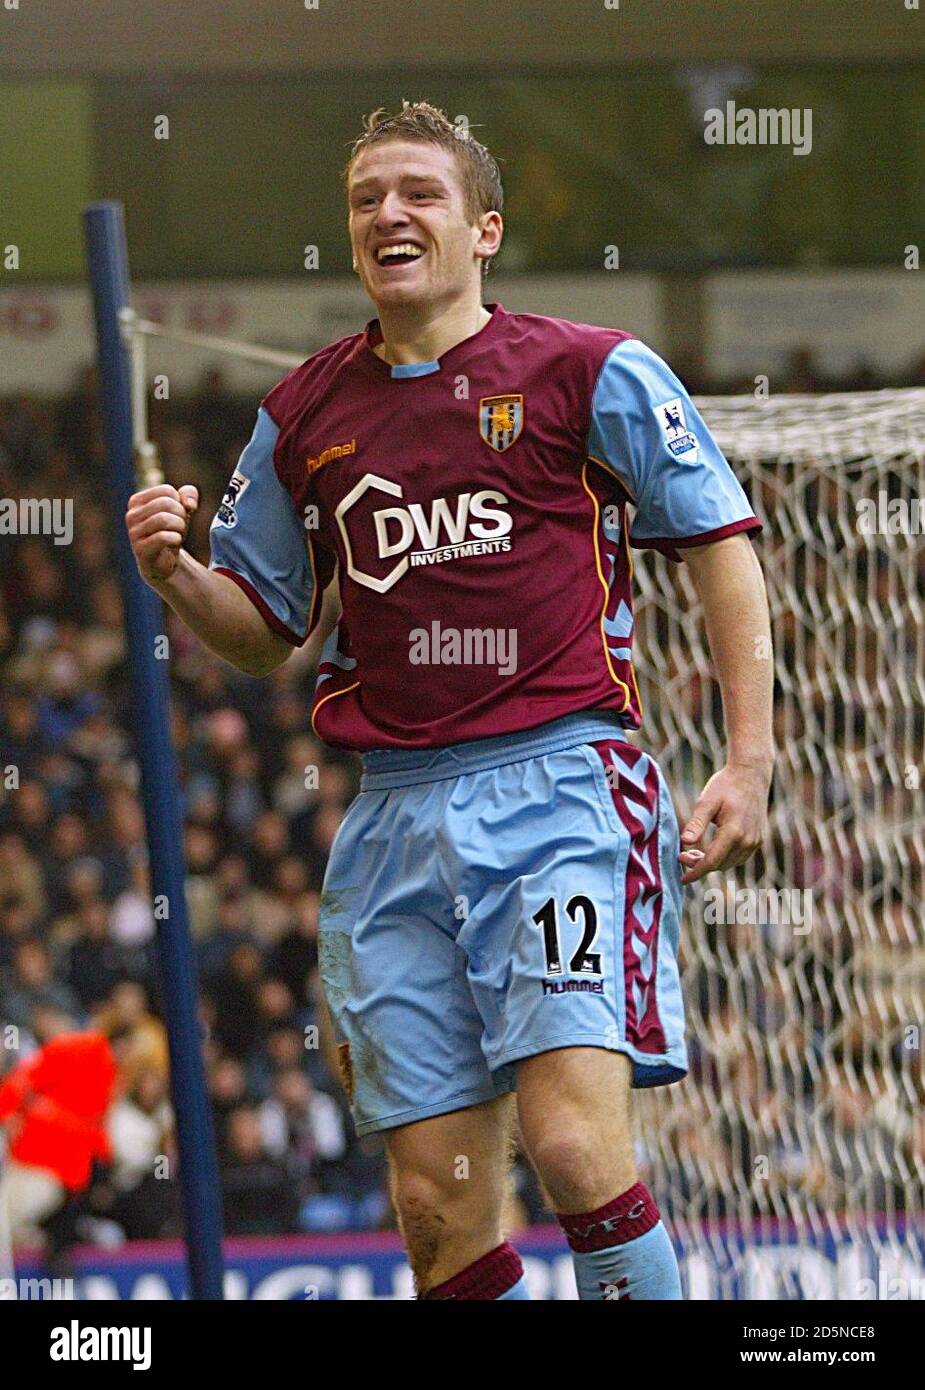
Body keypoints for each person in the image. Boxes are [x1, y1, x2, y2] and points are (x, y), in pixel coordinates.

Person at [125, 101, 774, 1301]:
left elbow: (722, 549)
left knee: (575, 1146)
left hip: (563, 788)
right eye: (368, 197)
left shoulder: (591, 368)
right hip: (392, 820)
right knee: (434, 1207)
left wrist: (748, 760)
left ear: (484, 229)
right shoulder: (301, 418)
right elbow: (264, 635)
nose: (388, 215)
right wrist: (176, 576)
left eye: (418, 192)